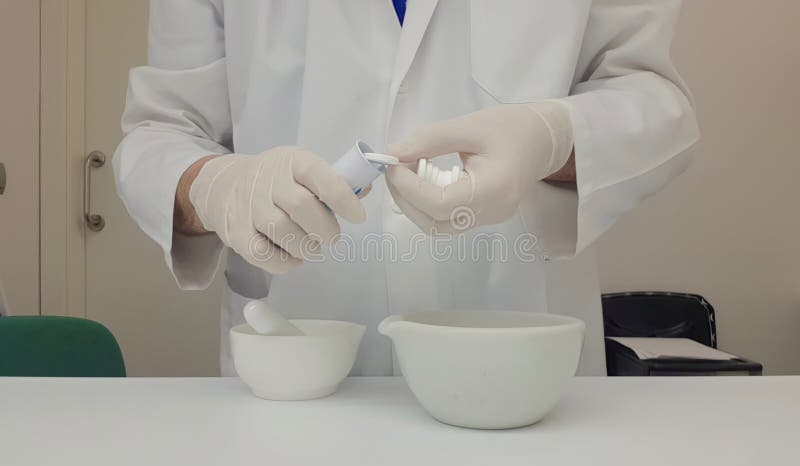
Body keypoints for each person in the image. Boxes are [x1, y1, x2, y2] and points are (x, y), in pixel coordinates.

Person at [114, 0, 699, 376]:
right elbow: (159, 132)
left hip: (523, 373)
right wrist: (216, 187)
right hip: (297, 372)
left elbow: (655, 102)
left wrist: (549, 138)